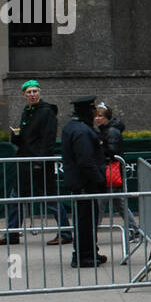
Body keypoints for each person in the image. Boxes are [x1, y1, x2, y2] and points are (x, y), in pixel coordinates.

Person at [0, 80, 71, 246]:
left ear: (39, 93)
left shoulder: (47, 112)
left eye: (35, 91)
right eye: (29, 92)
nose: (32, 94)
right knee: (16, 197)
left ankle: (65, 232)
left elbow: (48, 138)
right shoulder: (26, 112)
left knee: (50, 199)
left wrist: (40, 160)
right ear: (23, 95)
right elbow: (26, 138)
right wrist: (16, 136)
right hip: (25, 162)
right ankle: (12, 233)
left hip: (39, 162)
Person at [61, 96, 108, 268]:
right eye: (92, 110)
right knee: (85, 220)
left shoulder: (75, 127)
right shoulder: (81, 131)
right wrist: (99, 180)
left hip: (82, 182)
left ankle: (89, 251)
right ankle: (83, 255)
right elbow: (86, 160)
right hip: (84, 183)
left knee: (87, 218)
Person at [94, 103, 139, 240]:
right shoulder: (107, 130)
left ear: (107, 117)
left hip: (110, 171)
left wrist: (99, 150)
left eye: (100, 115)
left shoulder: (111, 131)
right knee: (118, 203)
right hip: (112, 172)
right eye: (96, 115)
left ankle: (92, 232)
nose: (97, 118)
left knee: (101, 203)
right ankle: (134, 229)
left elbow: (112, 151)